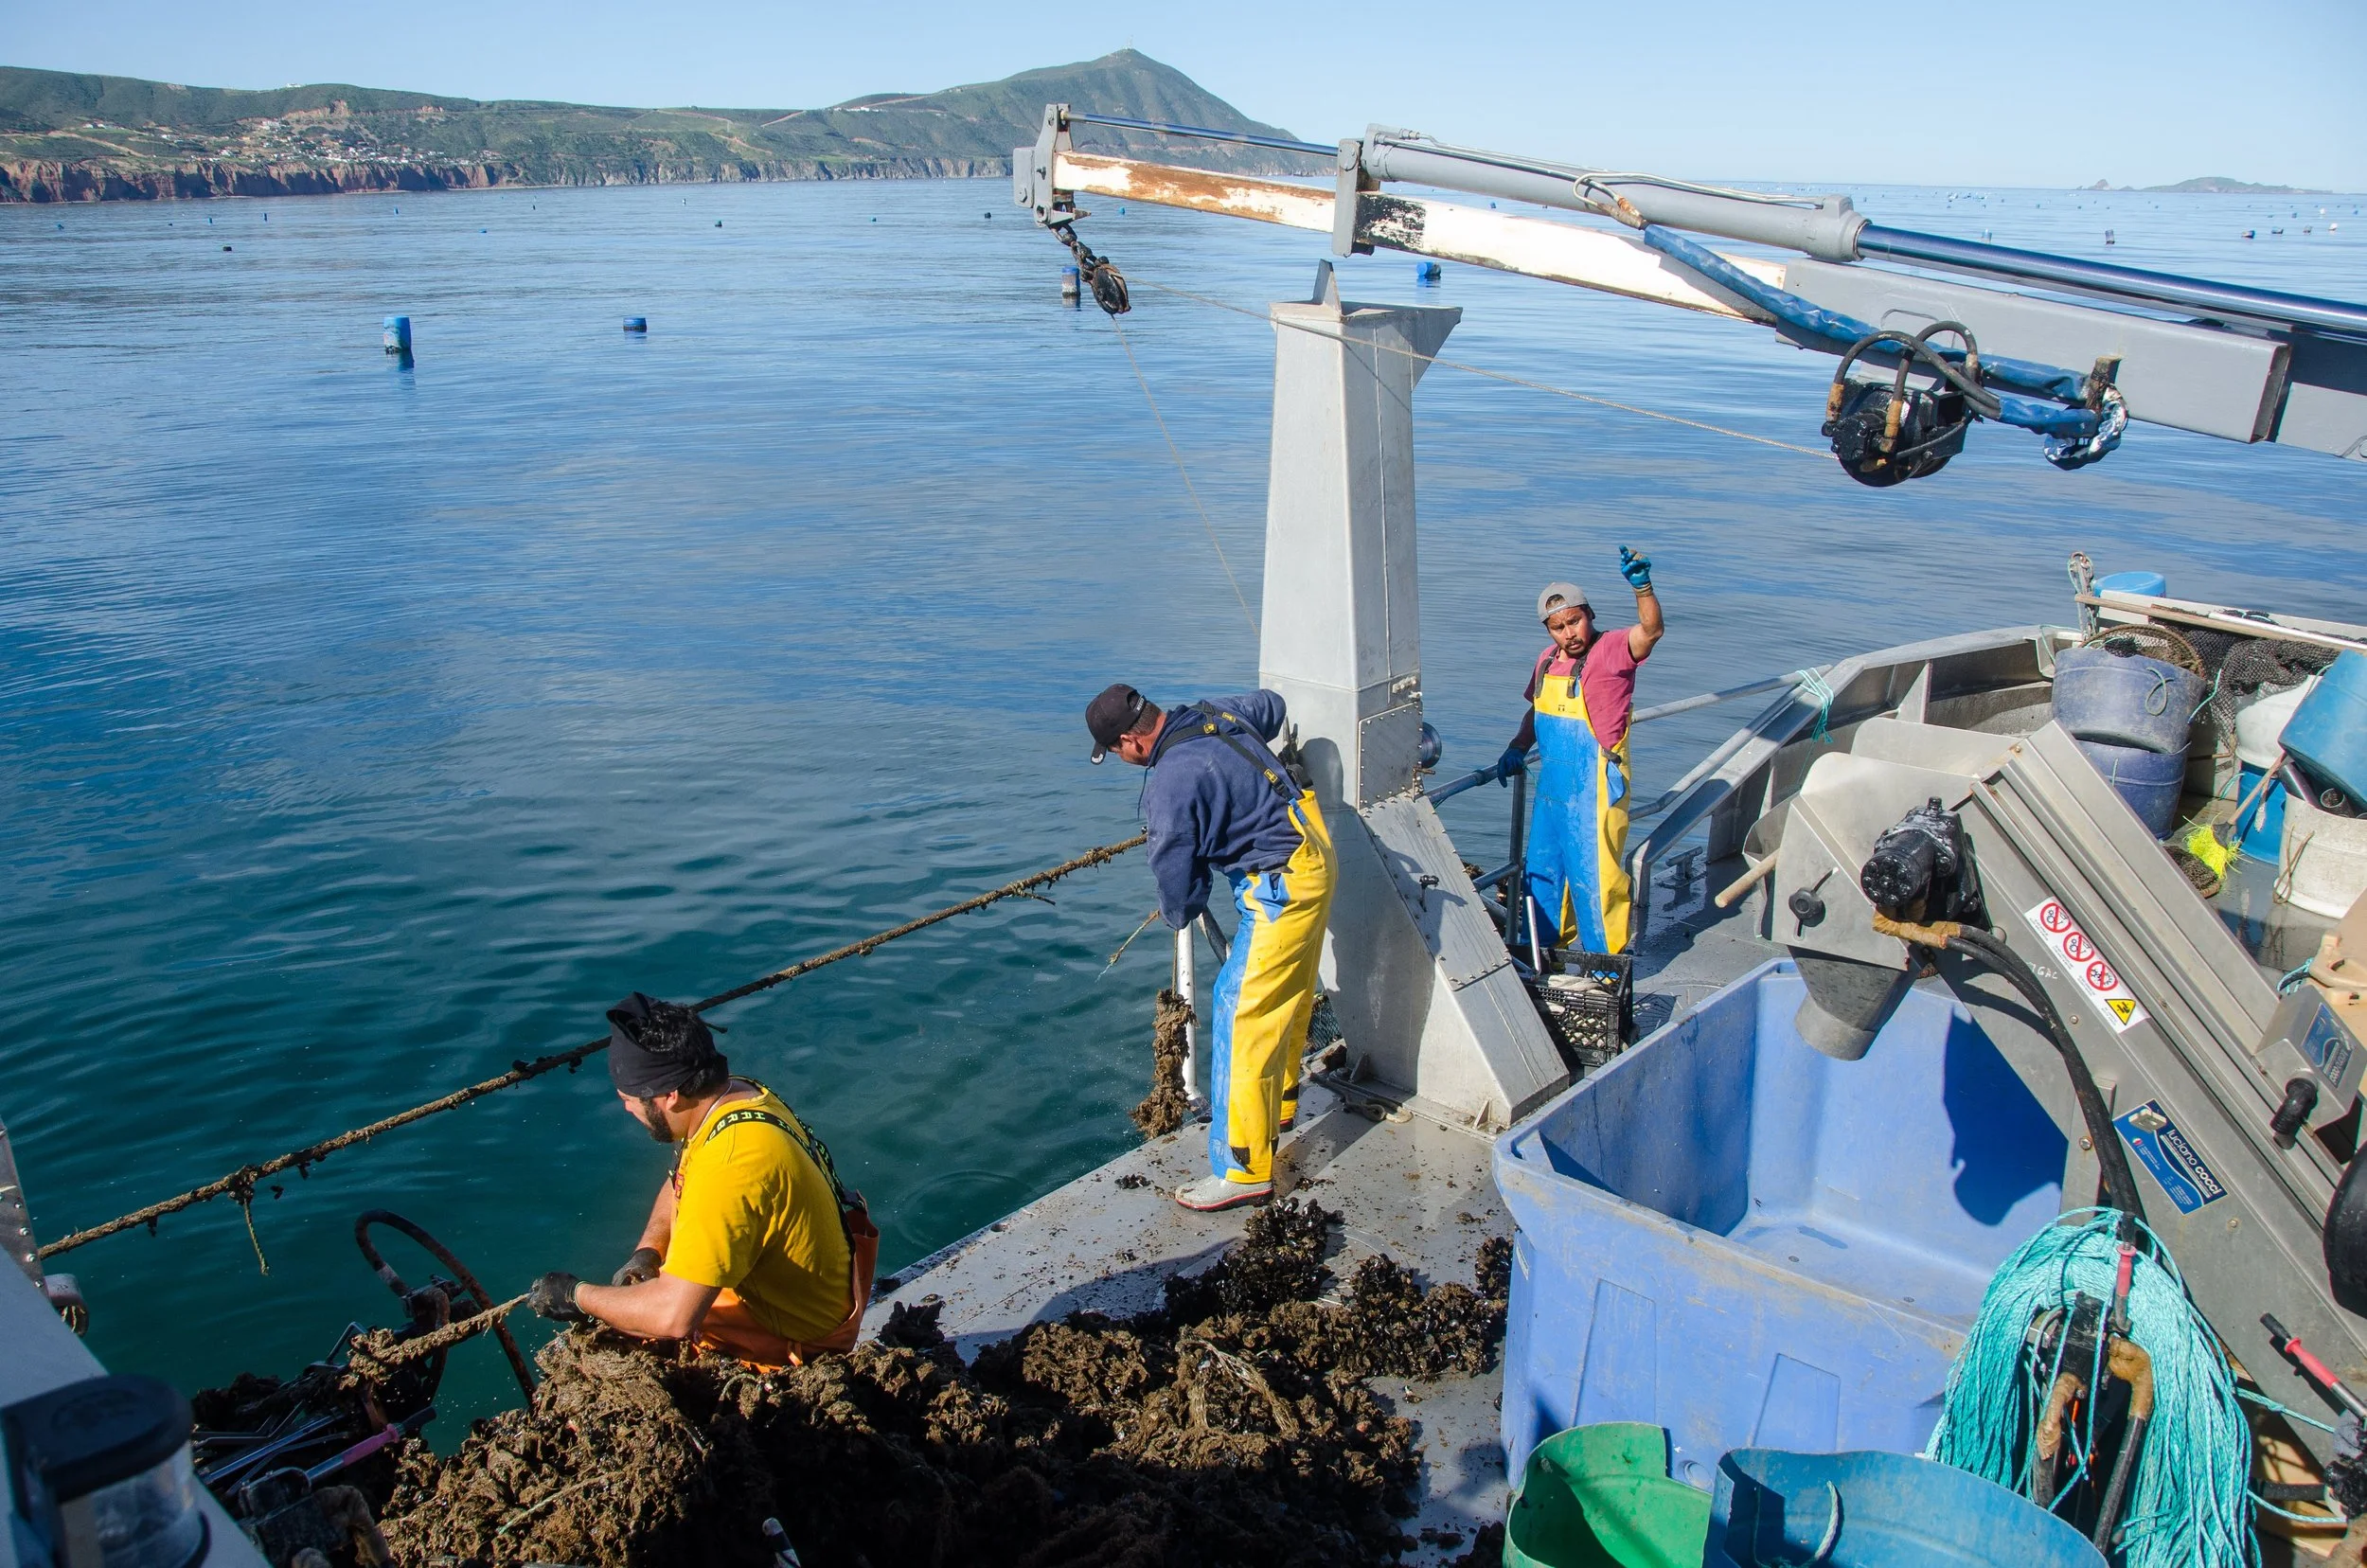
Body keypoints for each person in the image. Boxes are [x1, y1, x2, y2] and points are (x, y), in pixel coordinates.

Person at [1086, 682, 1335, 1211]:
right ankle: (1282, 1105)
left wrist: (1180, 912)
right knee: (1284, 997)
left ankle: (1243, 1170)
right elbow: (1273, 704)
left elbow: (1175, 872)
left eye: (1115, 752)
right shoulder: (1214, 712)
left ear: (1130, 741)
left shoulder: (1169, 783)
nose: (1123, 760)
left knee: (1238, 1013)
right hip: (1314, 853)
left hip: (1278, 888)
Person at [527, 992, 878, 1366]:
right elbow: (682, 1177)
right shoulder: (734, 1096)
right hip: (791, 1299)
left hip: (791, 1345)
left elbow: (673, 1317)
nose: (627, 1108)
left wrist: (575, 1296)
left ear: (671, 1096)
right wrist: (649, 1250)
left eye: (630, 1098)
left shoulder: (732, 1164)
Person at [1494, 547, 1665, 957]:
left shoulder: (1611, 650)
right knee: (1542, 875)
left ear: (1589, 614)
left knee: (1596, 878)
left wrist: (1642, 587)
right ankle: (1543, 955)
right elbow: (1536, 708)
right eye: (1557, 627)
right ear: (1547, 630)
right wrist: (1517, 746)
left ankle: (1606, 967)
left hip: (1595, 790)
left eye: (1575, 621)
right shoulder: (1546, 660)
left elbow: (1651, 631)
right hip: (1552, 791)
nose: (1569, 633)